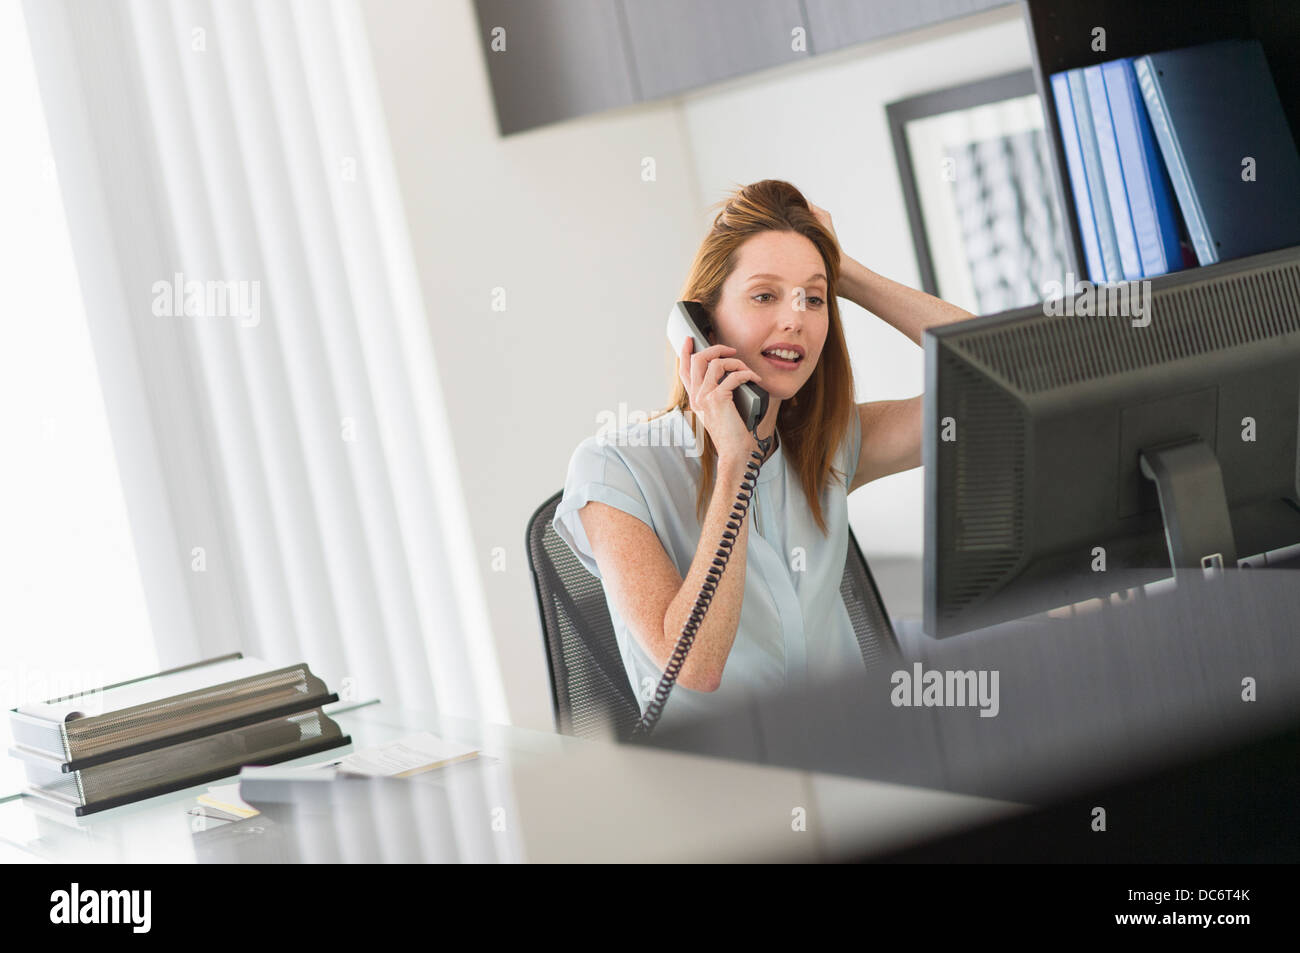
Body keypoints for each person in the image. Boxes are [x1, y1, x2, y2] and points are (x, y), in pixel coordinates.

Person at [553, 179, 975, 733]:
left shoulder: (829, 443)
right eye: (764, 295)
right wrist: (734, 460)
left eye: (813, 298)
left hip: (860, 754)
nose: (795, 319)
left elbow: (995, 379)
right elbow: (697, 666)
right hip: (732, 791)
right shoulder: (614, 470)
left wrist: (846, 272)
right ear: (703, 325)